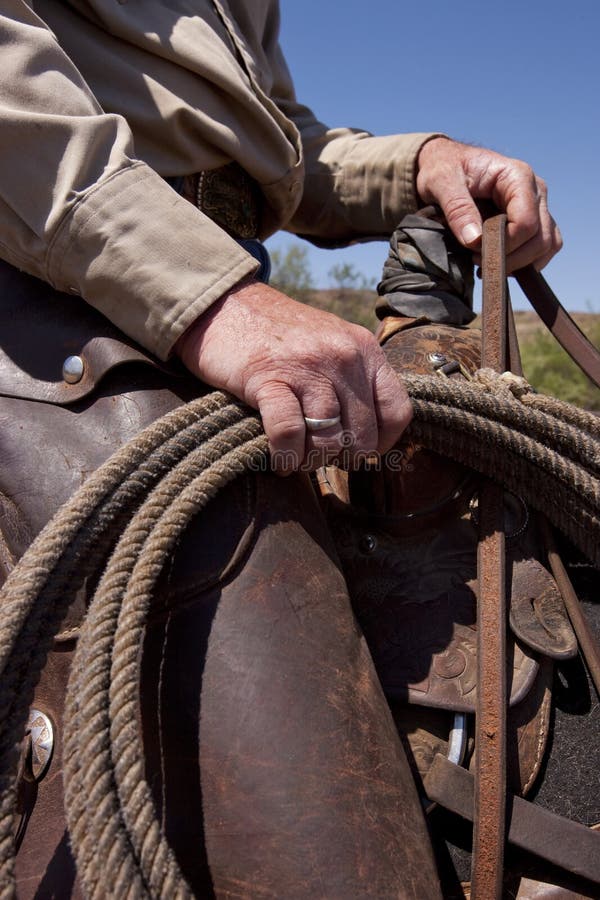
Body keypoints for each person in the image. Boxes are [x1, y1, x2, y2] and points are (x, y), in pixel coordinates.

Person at [1, 2, 562, 896]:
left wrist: (418, 164)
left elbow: (272, 144)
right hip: (41, 276)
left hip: (202, 270)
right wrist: (205, 297)